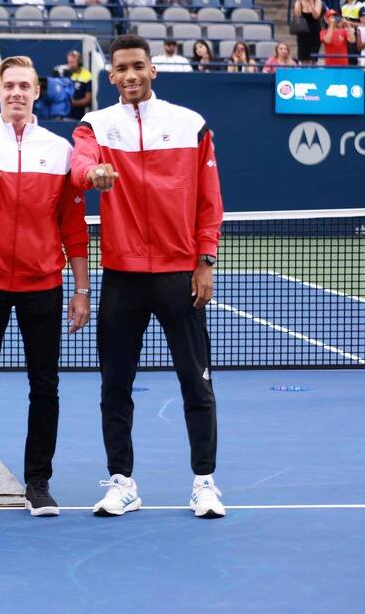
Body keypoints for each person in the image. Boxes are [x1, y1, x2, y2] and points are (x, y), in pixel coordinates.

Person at [70, 34, 225, 520]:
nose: (131, 74)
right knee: (115, 385)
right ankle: (122, 482)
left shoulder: (190, 124)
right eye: (122, 68)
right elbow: (79, 163)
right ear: (111, 76)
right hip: (122, 277)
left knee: (195, 384)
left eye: (139, 65)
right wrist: (92, 174)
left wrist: (206, 259)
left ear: (152, 69)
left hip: (180, 275)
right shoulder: (95, 125)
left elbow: (209, 200)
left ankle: (204, 482)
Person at [0, 55, 89, 518]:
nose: (16, 92)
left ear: (36, 93)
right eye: (8, 85)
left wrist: (82, 288)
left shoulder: (60, 150)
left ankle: (38, 483)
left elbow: (73, 224)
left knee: (44, 386)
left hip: (43, 285)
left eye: (24, 86)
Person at [293, 0, 324, 64]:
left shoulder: (317, 1)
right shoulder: (298, 1)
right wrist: (299, 1)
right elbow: (297, 15)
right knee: (303, 58)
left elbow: (316, 15)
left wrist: (311, 3)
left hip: (314, 32)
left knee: (313, 59)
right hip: (303, 33)